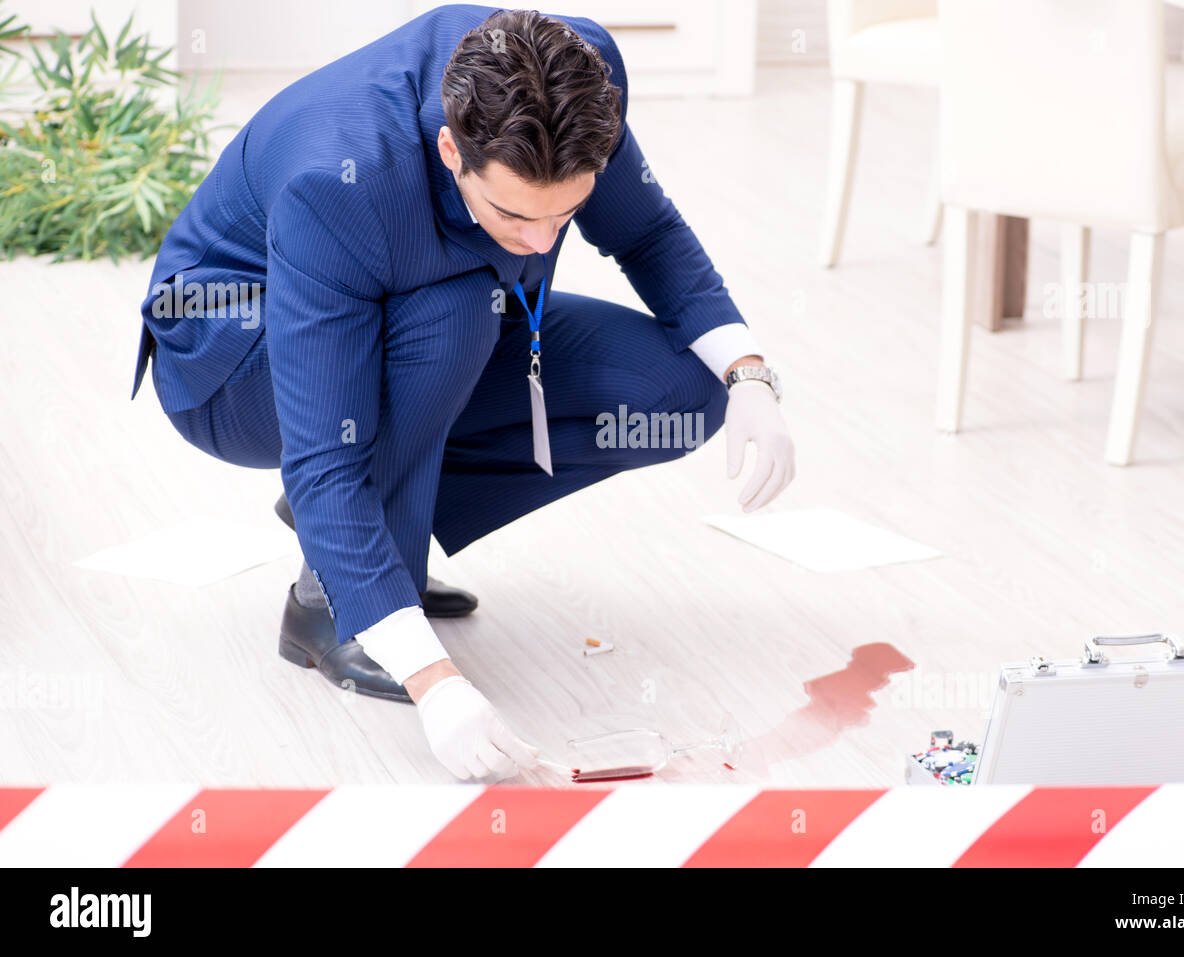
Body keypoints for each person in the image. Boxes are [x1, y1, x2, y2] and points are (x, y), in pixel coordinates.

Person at [130, 5, 795, 781]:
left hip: (428, 309)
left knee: (679, 387)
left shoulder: (582, 75)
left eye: (566, 213)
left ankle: (373, 530)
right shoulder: (335, 180)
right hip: (235, 354)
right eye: (513, 211)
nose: (544, 241)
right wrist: (432, 680)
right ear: (452, 147)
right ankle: (333, 598)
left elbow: (646, 234)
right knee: (451, 313)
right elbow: (322, 455)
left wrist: (749, 372)